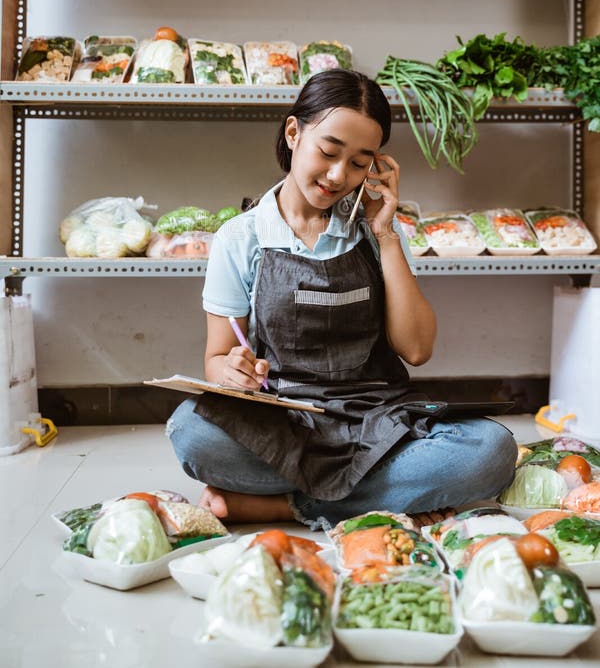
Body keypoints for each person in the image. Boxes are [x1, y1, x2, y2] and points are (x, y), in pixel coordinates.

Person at [167, 69, 517, 529]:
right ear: (294, 133)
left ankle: (286, 506)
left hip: (379, 421)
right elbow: (215, 358)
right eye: (328, 152)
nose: (338, 176)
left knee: (490, 451)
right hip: (286, 422)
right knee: (191, 431)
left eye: (359, 163)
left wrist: (386, 234)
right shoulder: (241, 236)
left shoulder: (378, 235)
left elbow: (417, 350)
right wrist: (231, 373)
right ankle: (384, 499)